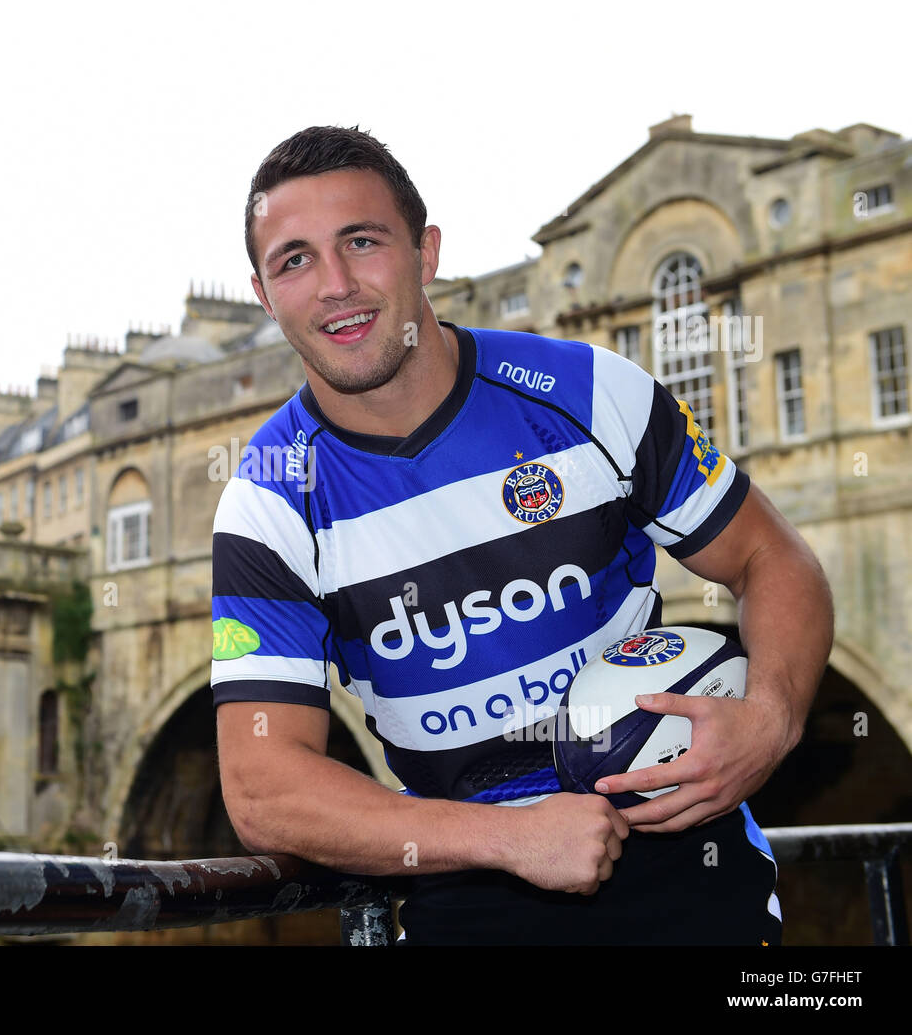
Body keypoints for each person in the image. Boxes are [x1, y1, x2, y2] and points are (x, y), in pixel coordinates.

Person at [210, 125, 834, 945]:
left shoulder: (587, 392)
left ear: (425, 253)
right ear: (264, 294)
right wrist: (511, 838)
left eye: (362, 242)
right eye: (294, 260)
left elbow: (770, 557)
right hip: (469, 895)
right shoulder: (269, 502)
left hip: (688, 864)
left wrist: (772, 717)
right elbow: (262, 787)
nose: (335, 285)